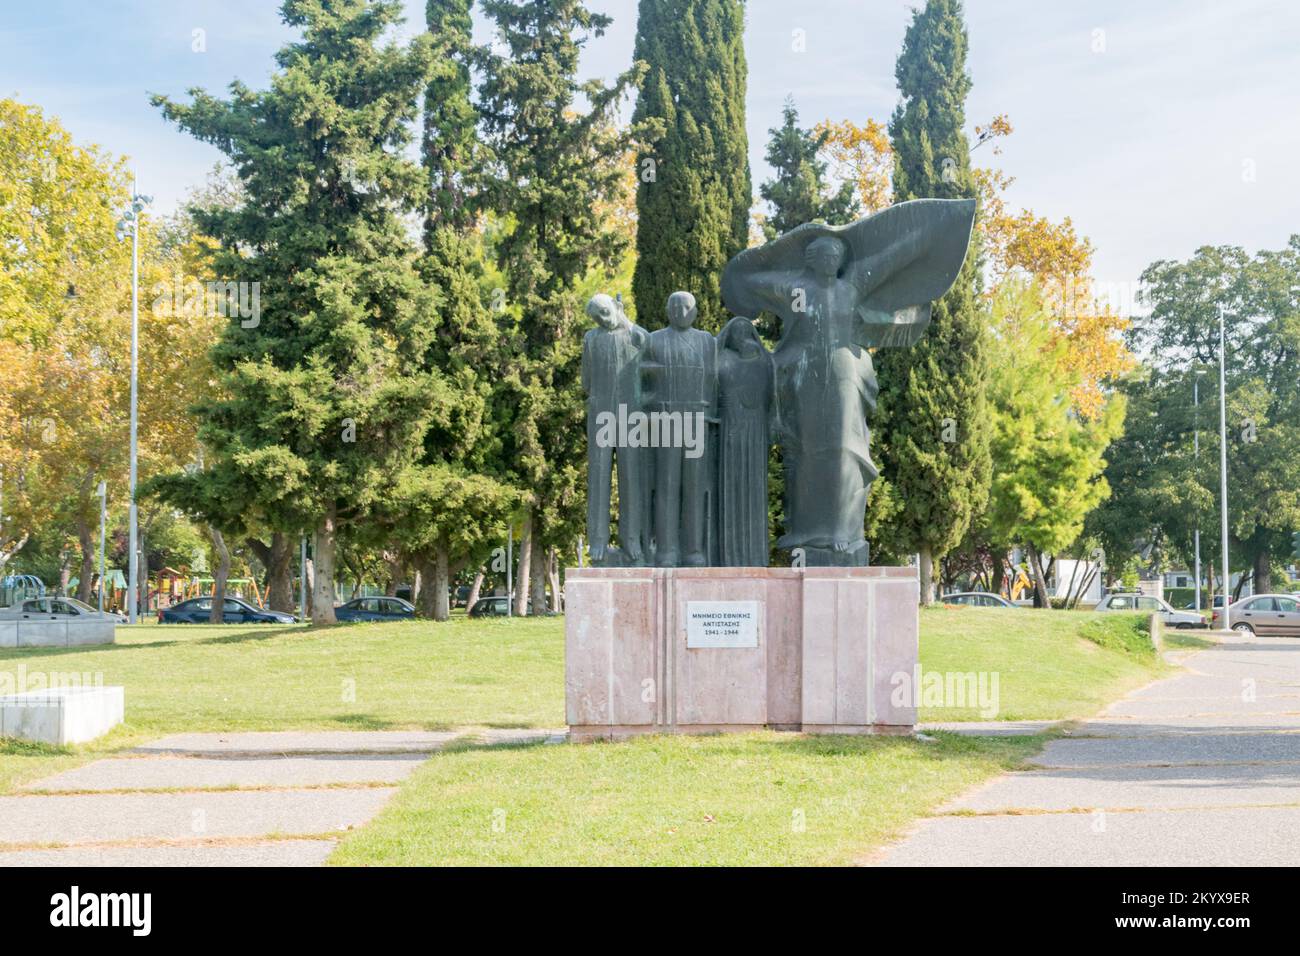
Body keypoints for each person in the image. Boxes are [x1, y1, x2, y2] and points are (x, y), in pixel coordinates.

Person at [721, 199, 976, 562]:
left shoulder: (851, 286)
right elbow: (750, 281)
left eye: (835, 257)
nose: (830, 262)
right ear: (811, 261)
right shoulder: (794, 290)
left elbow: (895, 257)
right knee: (806, 452)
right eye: (822, 256)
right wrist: (743, 277)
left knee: (844, 449)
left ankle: (842, 531)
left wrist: (937, 225)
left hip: (843, 373)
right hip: (803, 377)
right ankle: (806, 534)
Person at [716, 317, 774, 567]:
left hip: (756, 430)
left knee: (754, 487)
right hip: (731, 429)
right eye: (736, 333)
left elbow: (773, 398)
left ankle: (755, 557)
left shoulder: (764, 361)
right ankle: (729, 556)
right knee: (731, 486)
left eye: (745, 332)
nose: (741, 338)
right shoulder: (722, 359)